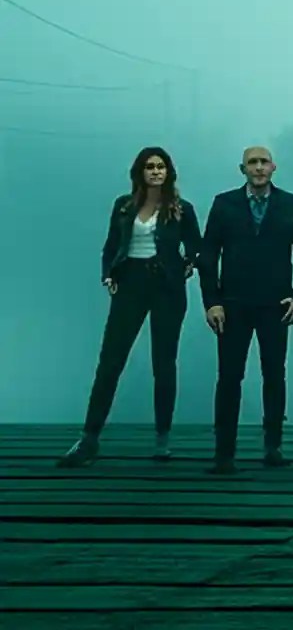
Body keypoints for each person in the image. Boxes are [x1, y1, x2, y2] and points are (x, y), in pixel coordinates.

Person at [57, 147, 202, 468]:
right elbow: (111, 246)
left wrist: (188, 264)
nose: (155, 172)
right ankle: (89, 438)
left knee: (164, 362)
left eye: (161, 167)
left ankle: (162, 438)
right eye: (149, 167)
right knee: (110, 360)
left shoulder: (181, 209)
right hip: (131, 282)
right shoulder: (123, 207)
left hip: (166, 285)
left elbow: (196, 245)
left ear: (169, 172)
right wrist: (108, 274)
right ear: (140, 172)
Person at [200, 145, 293, 475]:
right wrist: (212, 302)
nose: (259, 167)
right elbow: (208, 255)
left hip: (275, 304)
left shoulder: (292, 205)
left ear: (274, 167)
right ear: (243, 169)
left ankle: (273, 446)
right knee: (229, 378)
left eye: (264, 162)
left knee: (274, 375)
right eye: (253, 162)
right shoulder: (224, 204)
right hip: (233, 304)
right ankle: (224, 453)